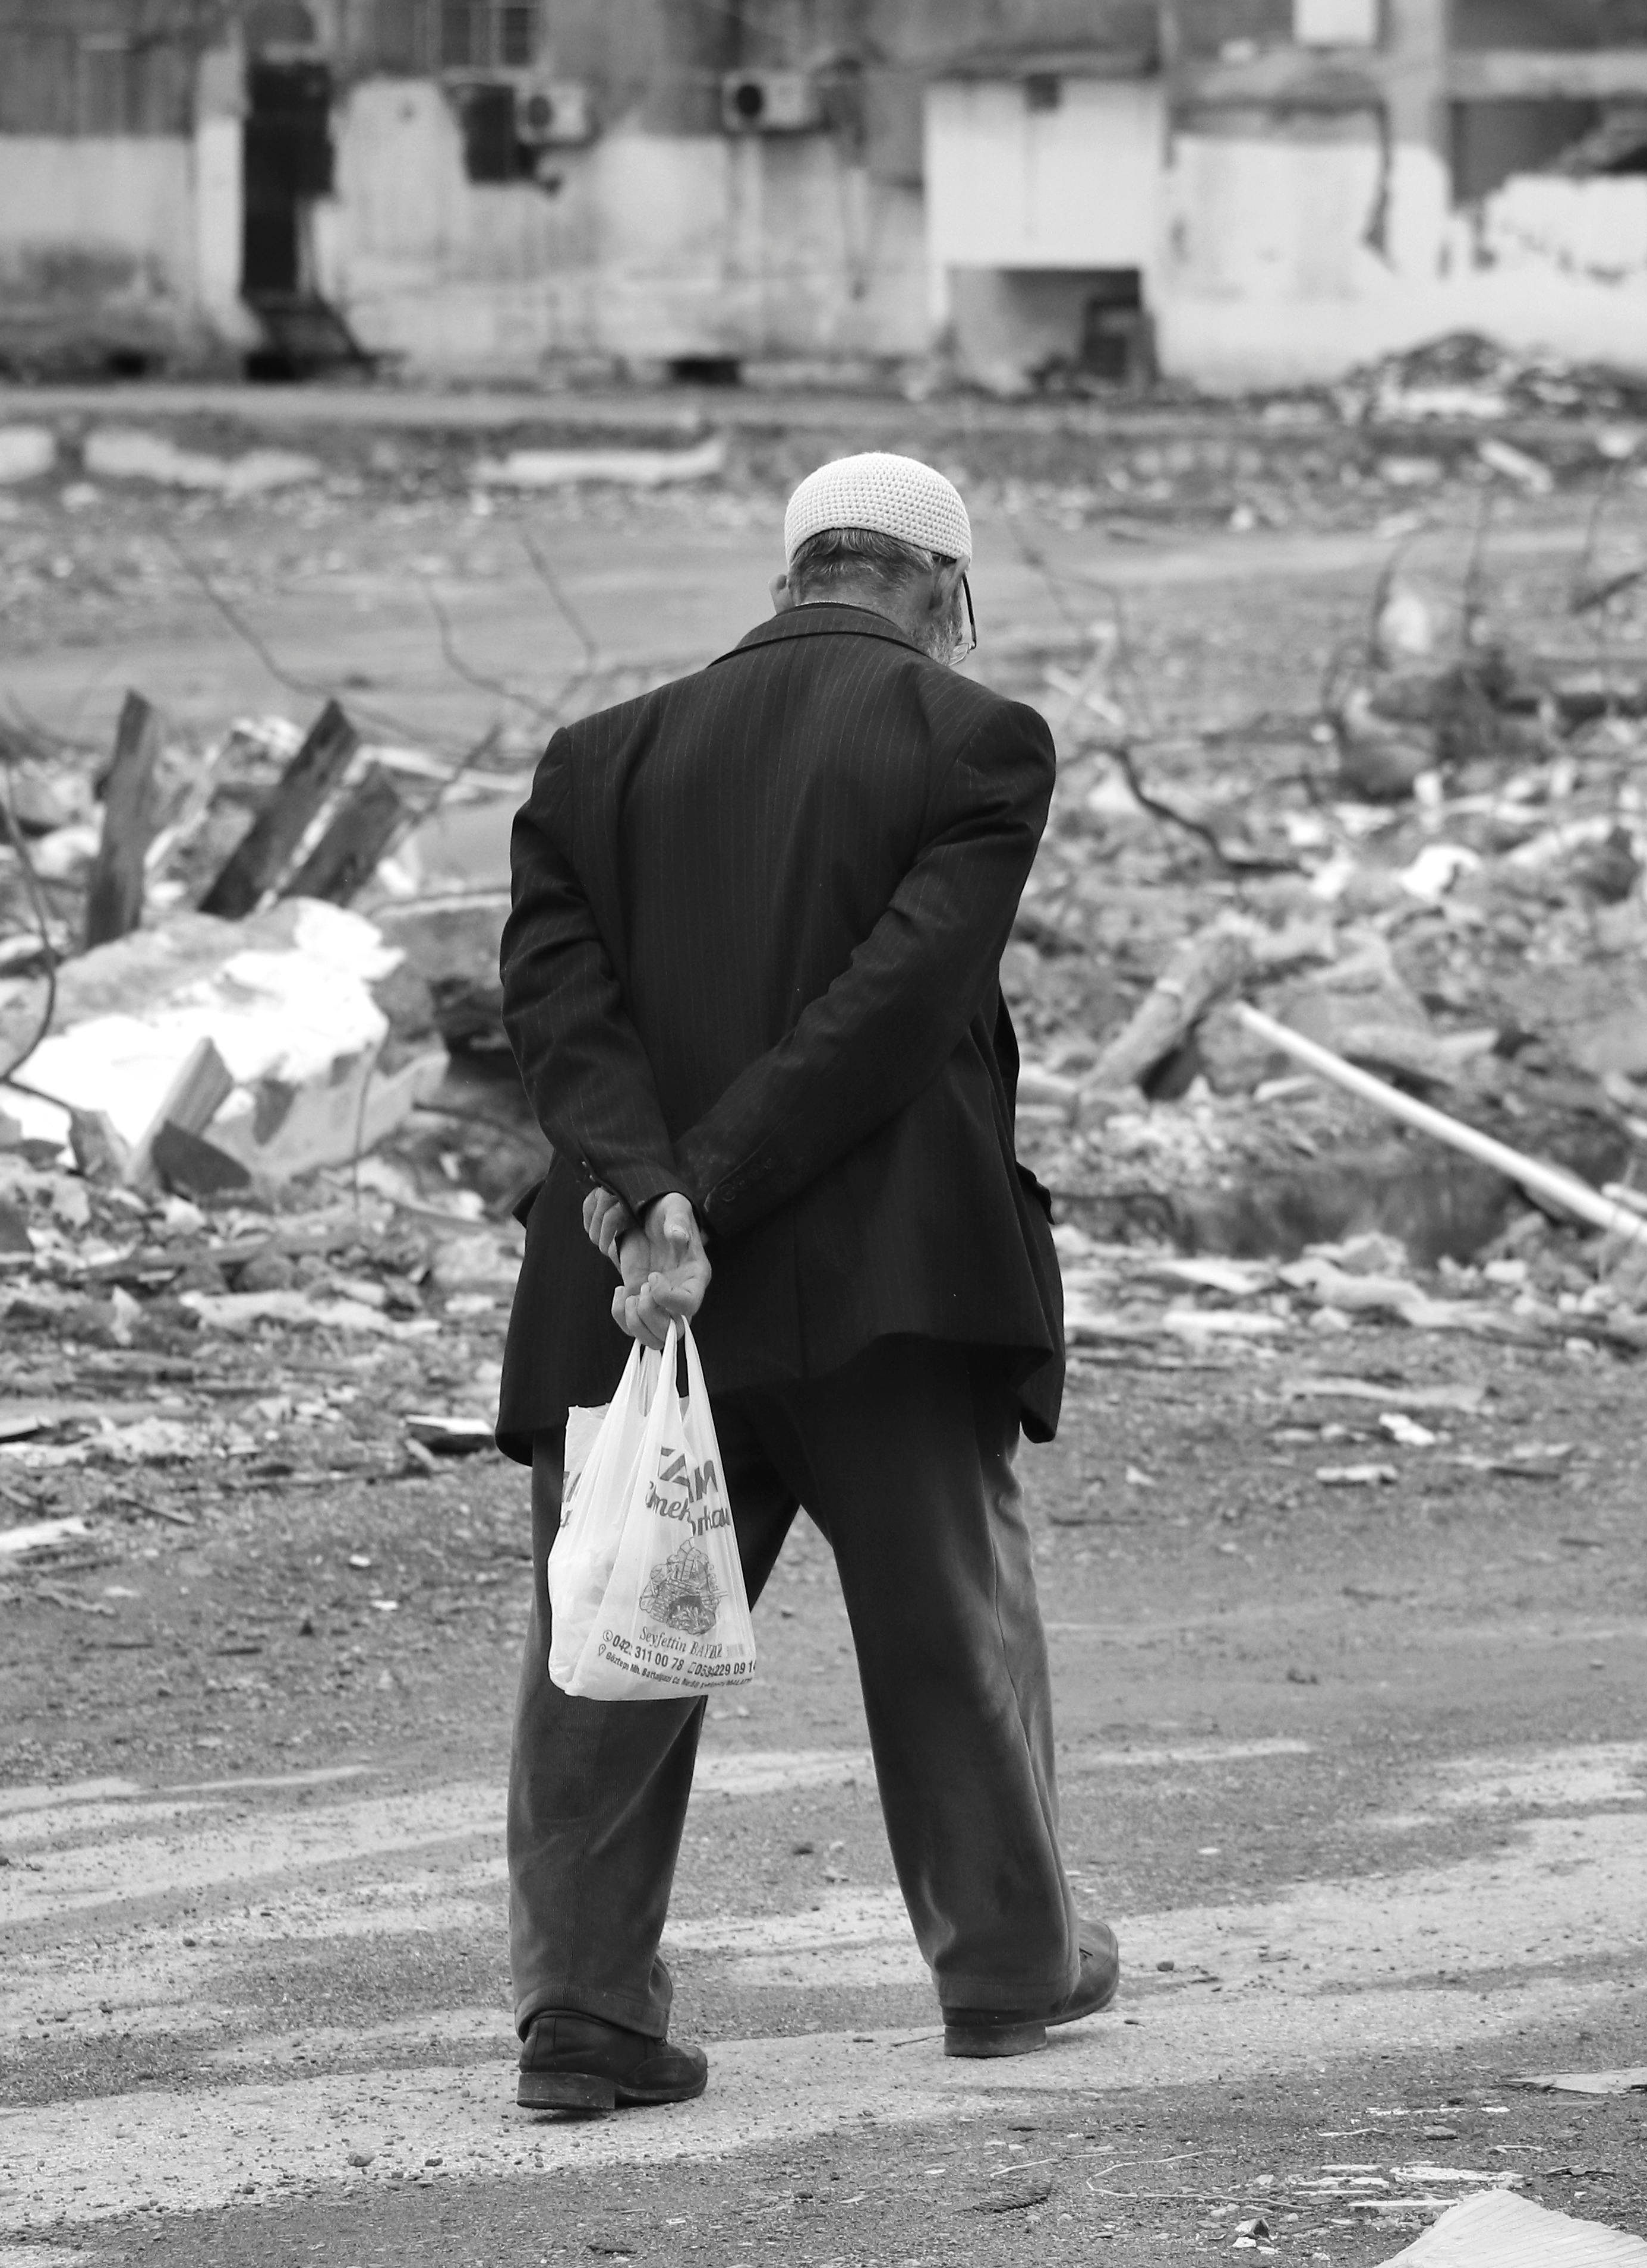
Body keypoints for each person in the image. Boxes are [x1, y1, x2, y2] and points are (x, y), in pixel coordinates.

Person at [491, 451, 1112, 2114]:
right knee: (946, 1627)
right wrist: (716, 1193)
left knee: (605, 1635)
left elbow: (559, 1027)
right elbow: (895, 1006)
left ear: (795, 573)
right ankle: (1002, 1970)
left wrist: (654, 1199)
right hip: (881, 1291)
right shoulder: (975, 742)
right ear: (941, 590)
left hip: (635, 1296)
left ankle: (588, 2020)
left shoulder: (592, 761)